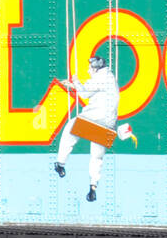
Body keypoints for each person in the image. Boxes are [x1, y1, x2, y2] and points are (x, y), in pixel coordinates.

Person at [53, 51, 135, 202]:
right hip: (108, 125)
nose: (88, 71)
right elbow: (95, 92)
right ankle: (93, 187)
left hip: (94, 119)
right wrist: (72, 86)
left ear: (96, 68)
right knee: (97, 157)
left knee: (70, 129)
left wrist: (76, 81)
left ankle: (60, 163)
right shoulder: (110, 79)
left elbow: (84, 94)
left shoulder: (100, 77)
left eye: (90, 68)